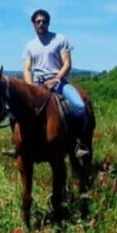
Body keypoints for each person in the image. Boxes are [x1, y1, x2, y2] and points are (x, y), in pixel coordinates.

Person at [22, 9, 89, 156]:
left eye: (44, 21)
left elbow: (67, 63)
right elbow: (27, 68)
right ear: (33, 24)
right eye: (38, 21)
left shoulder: (60, 39)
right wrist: (30, 85)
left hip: (58, 81)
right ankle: (18, 144)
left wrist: (56, 79)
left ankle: (80, 142)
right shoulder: (29, 45)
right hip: (37, 84)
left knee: (79, 106)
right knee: (15, 111)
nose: (41, 24)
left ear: (48, 23)